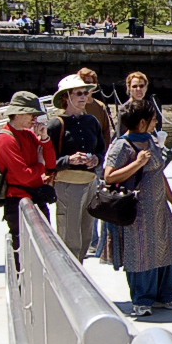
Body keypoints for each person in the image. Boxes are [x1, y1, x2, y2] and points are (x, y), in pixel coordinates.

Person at [103, 102, 172, 318]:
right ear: (142, 122)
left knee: (164, 247)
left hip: (158, 207)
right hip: (137, 211)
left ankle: (165, 295)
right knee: (140, 252)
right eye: (153, 119)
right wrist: (137, 163)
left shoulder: (150, 140)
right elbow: (109, 176)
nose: (156, 122)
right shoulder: (122, 146)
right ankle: (142, 298)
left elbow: (159, 173)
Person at [48, 74, 107, 262]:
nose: (83, 97)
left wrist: (96, 160)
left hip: (90, 182)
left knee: (86, 234)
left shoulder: (91, 121)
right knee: (70, 236)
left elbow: (100, 149)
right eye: (79, 93)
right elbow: (47, 160)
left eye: (86, 93)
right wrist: (69, 160)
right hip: (67, 184)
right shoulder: (56, 124)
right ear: (67, 97)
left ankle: (80, 271)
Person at [0, 91, 58, 260]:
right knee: (22, 253)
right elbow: (24, 176)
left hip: (36, 198)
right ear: (19, 113)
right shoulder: (5, 139)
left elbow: (51, 164)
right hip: (18, 201)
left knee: (44, 251)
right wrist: (40, 165)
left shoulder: (28, 134)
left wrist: (44, 138)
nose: (34, 119)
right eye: (32, 114)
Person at [75, 68, 113, 256]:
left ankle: (94, 240)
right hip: (75, 161)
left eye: (91, 82)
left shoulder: (99, 106)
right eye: (84, 82)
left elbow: (106, 132)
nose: (88, 87)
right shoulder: (74, 105)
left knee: (95, 198)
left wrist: (101, 154)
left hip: (96, 160)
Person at [120, 71, 163, 140]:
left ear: (146, 87)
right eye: (134, 86)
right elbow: (121, 134)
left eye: (141, 86)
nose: (138, 89)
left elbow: (154, 129)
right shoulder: (125, 109)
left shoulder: (149, 107)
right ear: (129, 88)